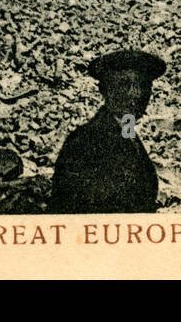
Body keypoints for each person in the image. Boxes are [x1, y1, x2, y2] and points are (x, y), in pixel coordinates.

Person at [50, 49, 166, 214]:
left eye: (144, 85)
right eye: (124, 84)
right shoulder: (84, 142)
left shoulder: (128, 130)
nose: (137, 94)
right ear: (105, 90)